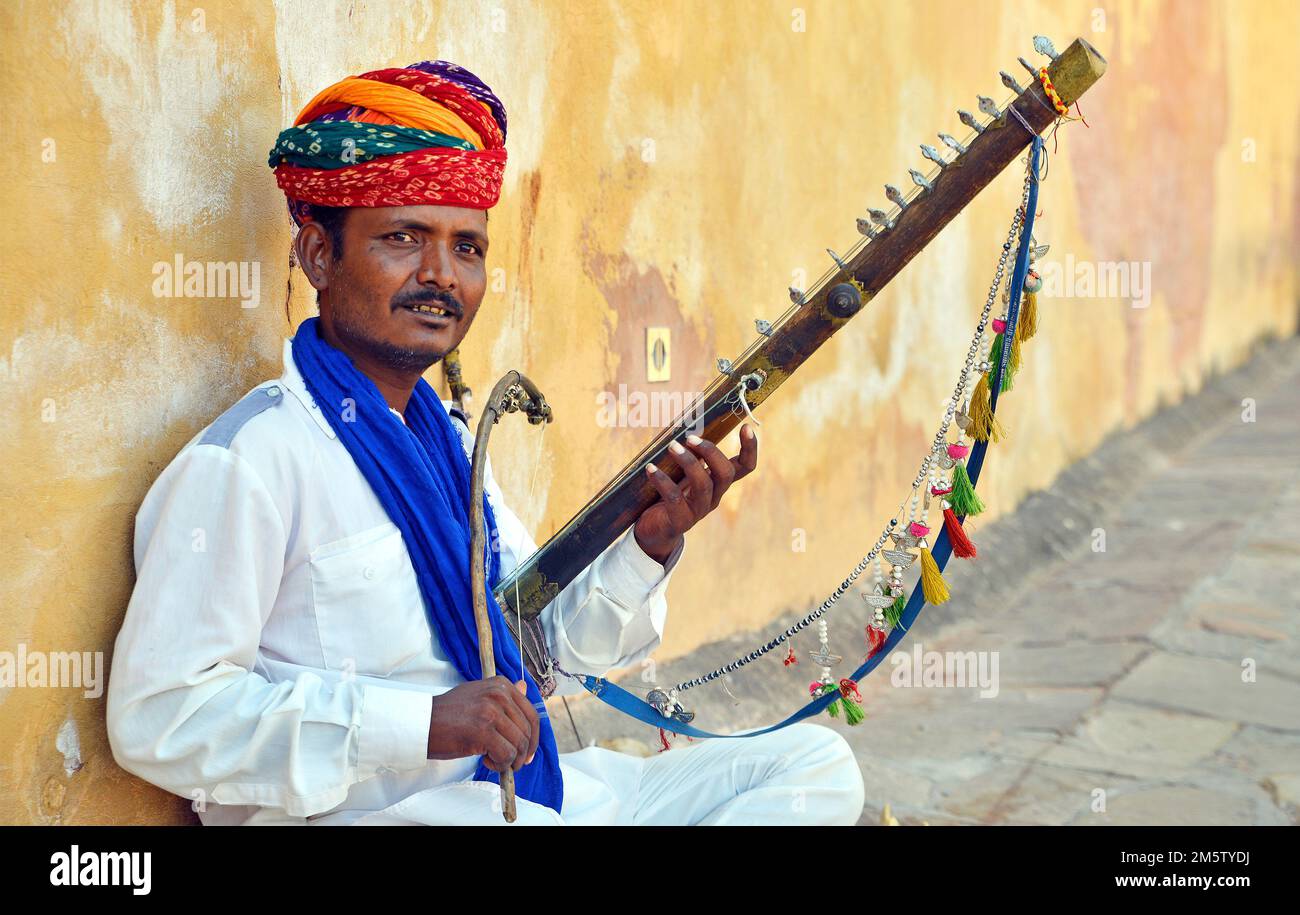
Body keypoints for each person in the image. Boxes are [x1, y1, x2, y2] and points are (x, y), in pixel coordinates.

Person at [106, 60, 865, 825]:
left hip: (517, 795)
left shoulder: (449, 445)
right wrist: (422, 723)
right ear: (318, 256)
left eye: (466, 248)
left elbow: (541, 652)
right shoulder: (249, 461)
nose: (441, 275)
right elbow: (161, 713)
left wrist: (648, 544)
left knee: (814, 768)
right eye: (403, 238)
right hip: (369, 814)